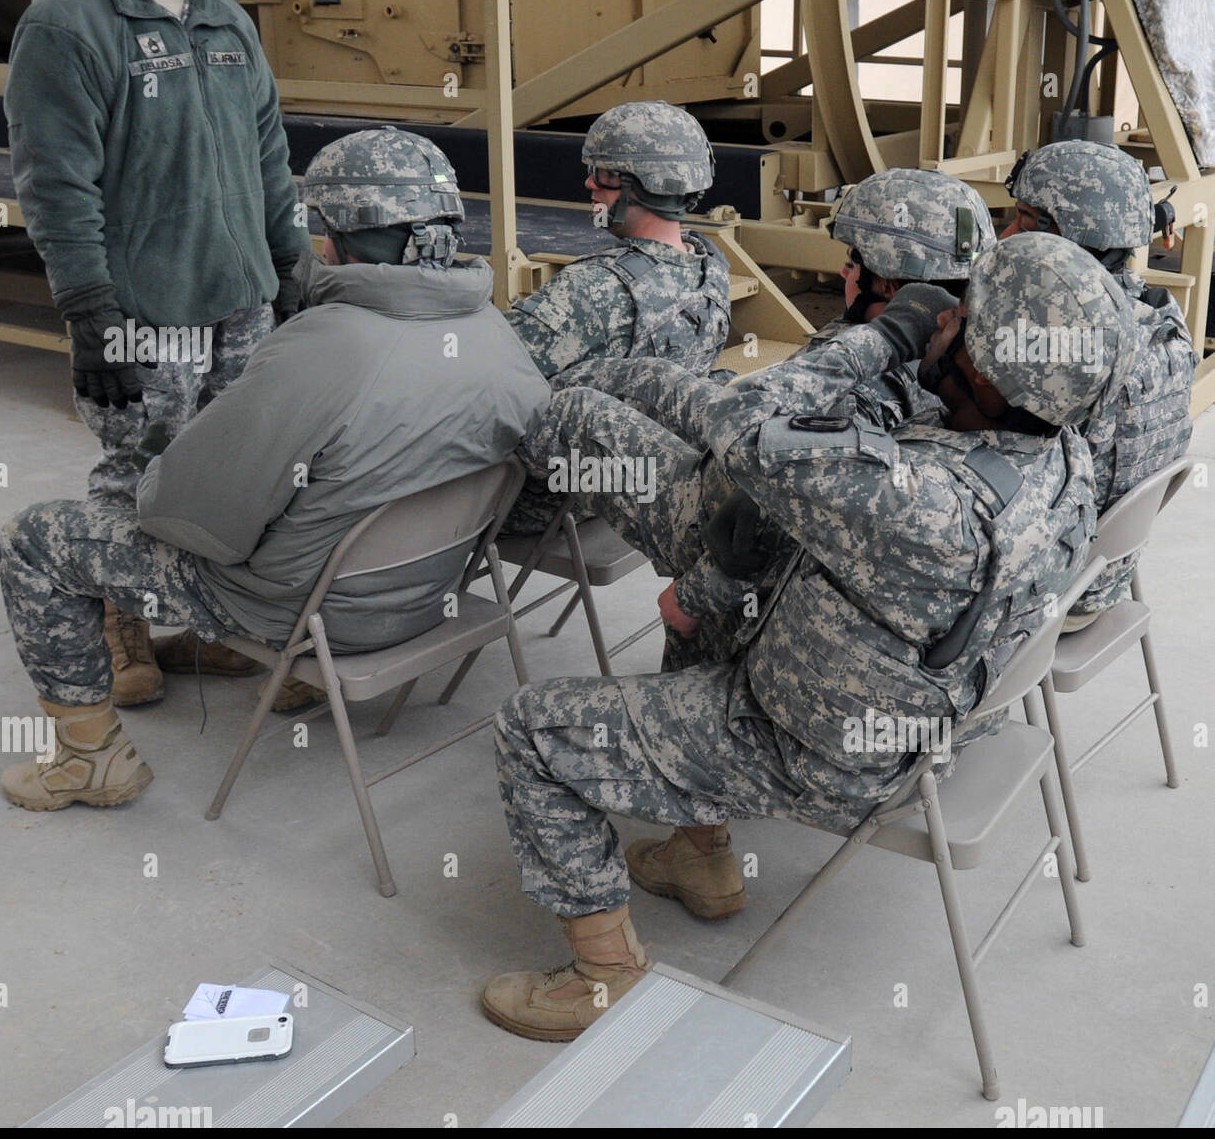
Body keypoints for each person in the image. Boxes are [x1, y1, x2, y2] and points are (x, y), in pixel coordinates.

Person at [480, 234, 1138, 1042]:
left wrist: (883, 335)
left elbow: (750, 424)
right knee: (717, 576)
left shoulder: (915, 499)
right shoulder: (1067, 463)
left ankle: (601, 978)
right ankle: (701, 857)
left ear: (986, 370)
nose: (944, 322)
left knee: (531, 730)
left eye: (959, 320)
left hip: (814, 750)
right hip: (924, 716)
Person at [0, 130, 549, 812]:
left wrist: (166, 451)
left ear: (335, 236)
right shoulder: (499, 335)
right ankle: (252, 663)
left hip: (313, 616)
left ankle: (89, 760)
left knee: (33, 538)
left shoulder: (319, 348)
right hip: (428, 597)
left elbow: (183, 518)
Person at [4, 0, 309, 706]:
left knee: (235, 477)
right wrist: (89, 309)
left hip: (240, 303)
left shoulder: (227, 21)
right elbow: (56, 183)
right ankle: (118, 622)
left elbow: (267, 154)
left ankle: (211, 626)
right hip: (147, 311)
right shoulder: (66, 28)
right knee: (136, 474)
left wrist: (286, 259)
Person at [516, 168, 998, 670]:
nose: (842, 273)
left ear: (889, 283)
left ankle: (482, 508)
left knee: (576, 415)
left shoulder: (860, 391)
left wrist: (695, 597)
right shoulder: (958, 367)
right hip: (754, 465)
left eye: (853, 262)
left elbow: (778, 518)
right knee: (644, 377)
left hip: (725, 518)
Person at [502, 100, 731, 534]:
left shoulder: (592, 288)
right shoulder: (711, 267)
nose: (589, 183)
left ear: (643, 186)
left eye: (605, 176)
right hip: (625, 488)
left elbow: (489, 384)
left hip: (543, 501)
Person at [1003, 141, 1196, 623]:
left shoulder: (1064, 349)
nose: (1006, 234)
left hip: (1049, 598)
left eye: (1025, 219)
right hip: (1108, 577)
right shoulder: (1161, 317)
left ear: (1069, 234)